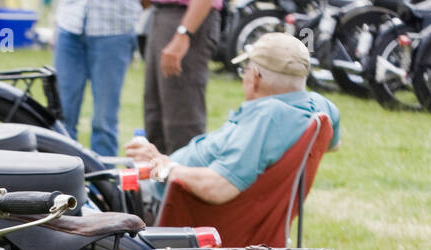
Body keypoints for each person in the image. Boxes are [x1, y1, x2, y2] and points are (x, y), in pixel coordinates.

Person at [125, 32, 340, 212]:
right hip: (177, 198)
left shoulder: (267, 117)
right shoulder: (322, 108)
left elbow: (218, 188)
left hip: (166, 207)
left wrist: (165, 166)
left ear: (255, 78)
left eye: (244, 70)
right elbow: (331, 145)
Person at [53, 0, 143, 158]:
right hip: (70, 23)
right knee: (62, 116)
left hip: (114, 28)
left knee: (104, 120)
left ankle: (102, 180)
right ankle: (63, 175)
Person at [143, 0, 221, 154]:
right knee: (155, 122)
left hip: (186, 18)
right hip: (160, 14)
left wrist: (184, 33)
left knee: (182, 125)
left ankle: (186, 176)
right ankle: (161, 178)